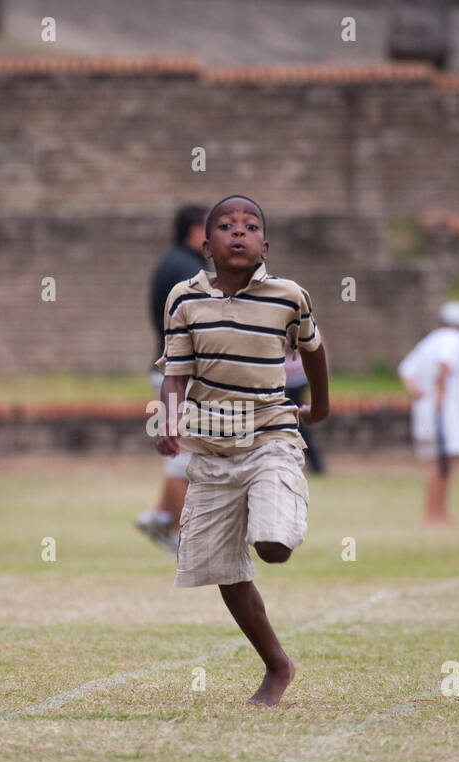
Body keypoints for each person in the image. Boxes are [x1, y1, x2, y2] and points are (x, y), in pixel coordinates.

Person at [155, 195, 329, 706]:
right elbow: (175, 372)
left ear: (265, 245)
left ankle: (280, 505)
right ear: (206, 245)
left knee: (272, 546)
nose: (238, 233)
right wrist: (169, 418)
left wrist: (318, 407)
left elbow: (315, 352)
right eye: (226, 226)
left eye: (250, 226)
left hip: (270, 437)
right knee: (222, 570)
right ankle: (278, 666)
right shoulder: (183, 299)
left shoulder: (288, 296)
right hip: (210, 450)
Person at [136, 204, 208, 550]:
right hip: (179, 375)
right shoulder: (190, 270)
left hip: (165, 368)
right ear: (195, 230)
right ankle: (183, 538)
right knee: (184, 457)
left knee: (184, 450)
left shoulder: (171, 262)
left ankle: (160, 516)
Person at [397, 300, 459, 524]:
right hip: (443, 411)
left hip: (426, 410)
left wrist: (419, 394)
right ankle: (437, 513)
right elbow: (445, 365)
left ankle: (435, 511)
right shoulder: (456, 339)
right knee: (443, 462)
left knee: (437, 460)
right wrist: (440, 397)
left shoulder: (430, 340)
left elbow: (406, 371)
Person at [285, 337, 324, 474]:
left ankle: (316, 463)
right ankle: (315, 463)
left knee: (297, 423)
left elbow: (316, 346)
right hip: (286, 381)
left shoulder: (297, 322)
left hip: (299, 378)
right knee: (294, 423)